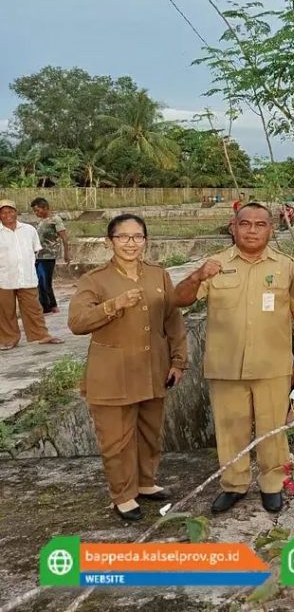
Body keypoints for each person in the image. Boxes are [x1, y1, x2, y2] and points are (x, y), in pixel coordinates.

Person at [174, 203, 294, 514]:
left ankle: (272, 484)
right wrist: (197, 276)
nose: (252, 230)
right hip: (226, 365)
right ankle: (234, 485)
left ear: (270, 229)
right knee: (229, 429)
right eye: (245, 224)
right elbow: (178, 299)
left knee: (272, 429)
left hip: (272, 365)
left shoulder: (285, 266)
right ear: (232, 227)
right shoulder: (214, 265)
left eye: (260, 224)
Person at [68, 214, 187, 521]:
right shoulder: (94, 280)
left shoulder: (158, 274)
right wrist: (112, 305)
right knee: (116, 440)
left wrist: (178, 360)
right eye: (123, 237)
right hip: (112, 375)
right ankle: (122, 495)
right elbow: (77, 323)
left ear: (145, 241)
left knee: (150, 432)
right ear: (110, 242)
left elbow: (173, 320)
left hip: (152, 370)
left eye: (137, 237)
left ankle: (145, 483)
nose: (131, 243)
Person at [0, 199, 64, 350]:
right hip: (4, 278)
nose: (7, 215)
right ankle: (8, 339)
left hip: (27, 277)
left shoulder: (29, 230)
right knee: (5, 311)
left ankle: (41, 336)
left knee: (34, 309)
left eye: (10, 211)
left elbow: (35, 250)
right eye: (3, 212)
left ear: (16, 213)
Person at [31, 197, 71, 314]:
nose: (36, 213)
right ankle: (44, 306)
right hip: (38, 255)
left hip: (49, 255)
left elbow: (64, 238)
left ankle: (52, 305)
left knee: (45, 281)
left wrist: (67, 254)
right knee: (38, 281)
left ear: (45, 208)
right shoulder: (40, 222)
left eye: (37, 210)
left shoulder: (55, 220)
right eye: (35, 211)